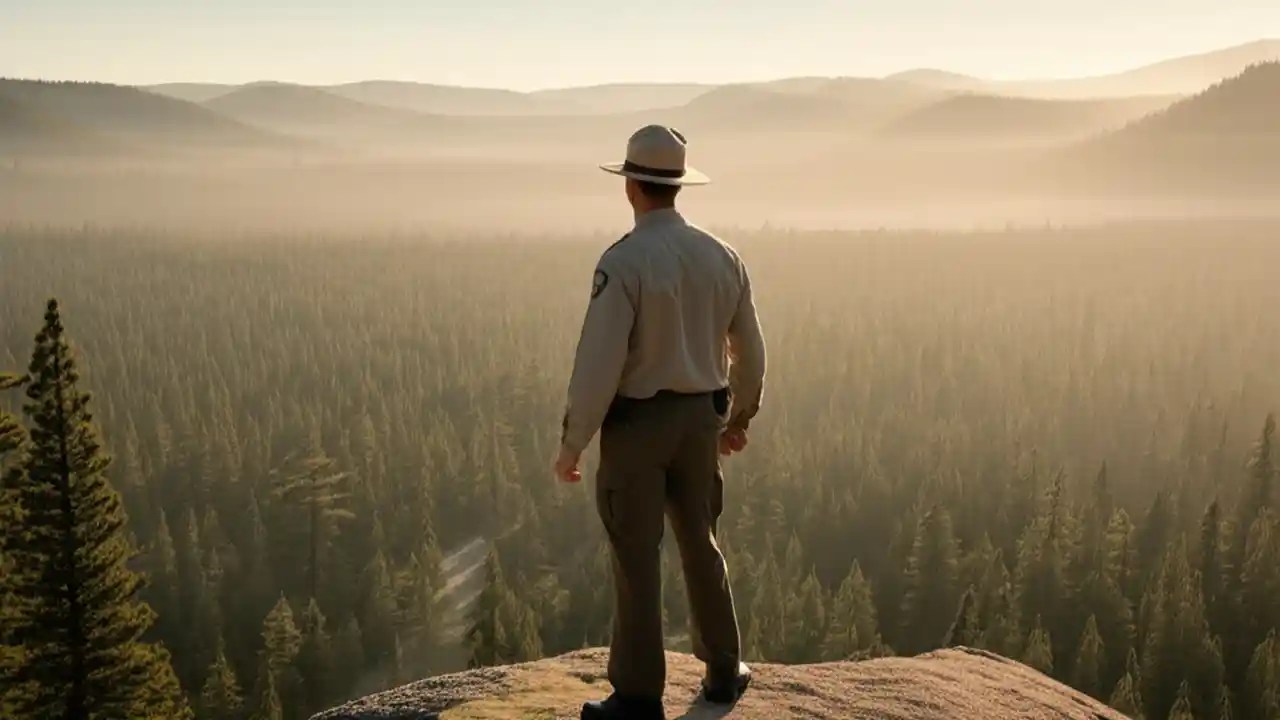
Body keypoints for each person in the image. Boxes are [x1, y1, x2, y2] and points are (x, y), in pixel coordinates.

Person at [554, 125, 767, 720]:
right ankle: (724, 671)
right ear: (677, 186)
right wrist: (738, 417)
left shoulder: (623, 262)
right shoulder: (724, 257)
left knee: (636, 554)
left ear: (630, 187)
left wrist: (573, 444)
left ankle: (639, 697)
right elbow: (751, 352)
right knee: (701, 542)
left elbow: (598, 363)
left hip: (637, 427)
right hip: (702, 420)